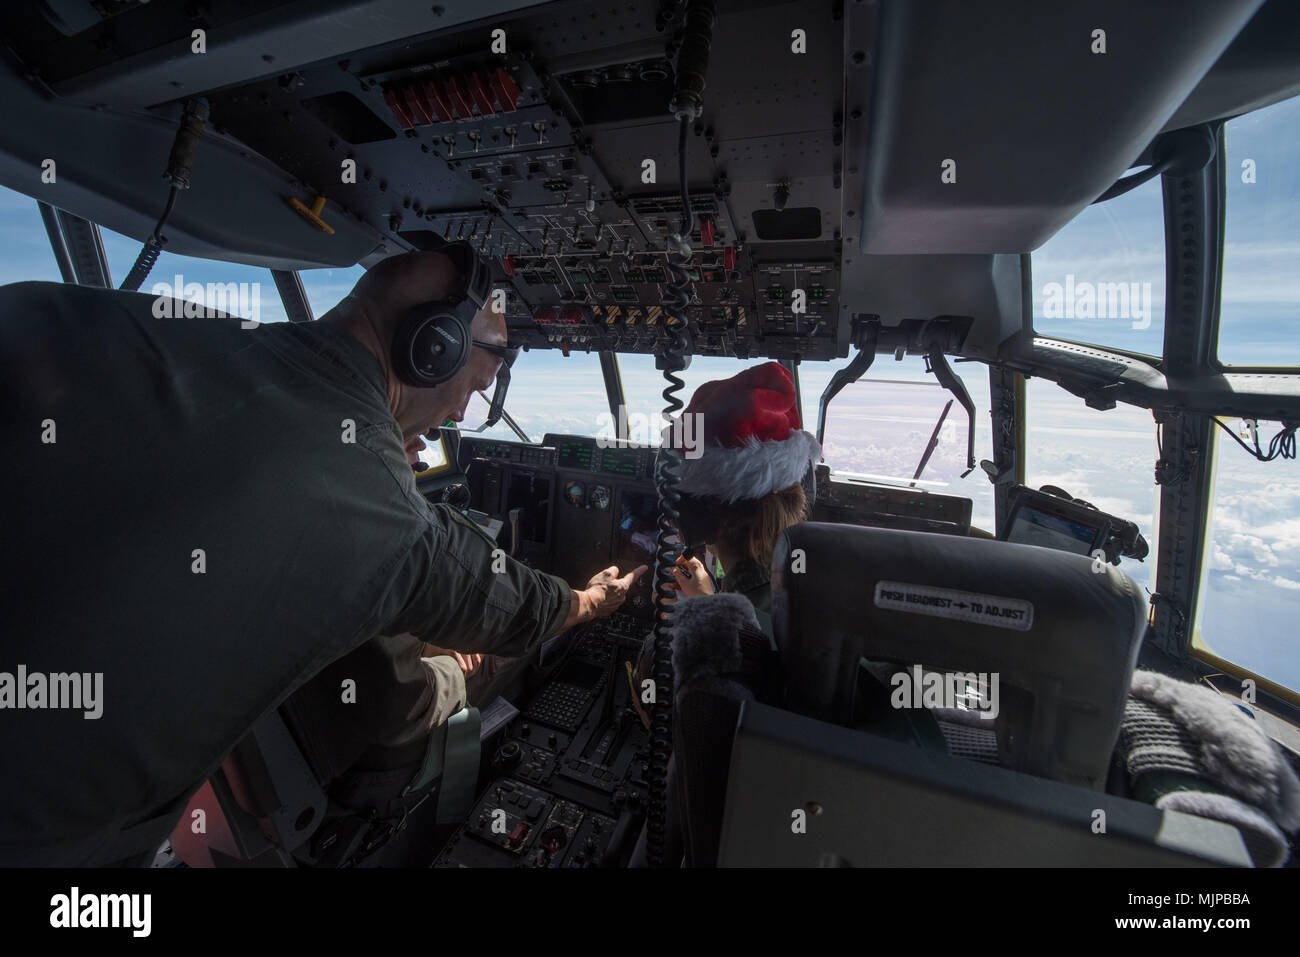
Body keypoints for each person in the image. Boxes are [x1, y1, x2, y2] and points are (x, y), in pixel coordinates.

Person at [0, 245, 645, 866]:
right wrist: (590, 602)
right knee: (494, 665)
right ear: (434, 347)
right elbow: (507, 607)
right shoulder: (383, 506)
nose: (460, 413)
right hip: (49, 840)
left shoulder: (64, 316)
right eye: (475, 389)